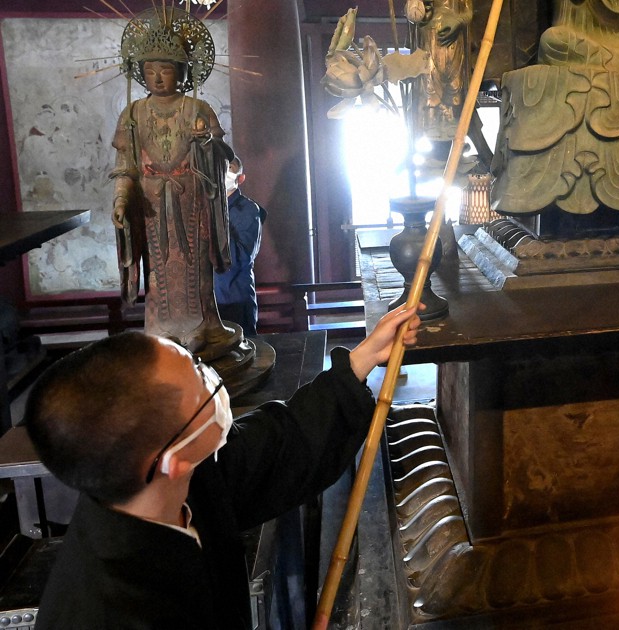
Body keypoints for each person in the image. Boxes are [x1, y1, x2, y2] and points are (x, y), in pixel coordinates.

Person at [23, 304, 423, 628]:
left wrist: (363, 357)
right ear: (172, 460)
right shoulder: (111, 612)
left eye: (198, 365)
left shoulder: (170, 480)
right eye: (203, 384)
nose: (216, 385)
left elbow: (281, 445)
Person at [111, 10, 236, 354]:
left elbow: (224, 156)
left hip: (191, 200)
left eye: (166, 69)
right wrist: (121, 200)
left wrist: (205, 144)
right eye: (150, 69)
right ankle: (160, 329)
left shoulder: (198, 108)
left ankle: (204, 326)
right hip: (150, 205)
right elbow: (125, 166)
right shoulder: (133, 114)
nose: (157, 77)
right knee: (158, 268)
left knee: (195, 267)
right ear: (140, 72)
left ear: (183, 71)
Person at [215, 157, 267, 335]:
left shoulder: (248, 210)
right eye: (219, 167)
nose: (223, 173)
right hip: (209, 303)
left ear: (240, 178)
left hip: (235, 300)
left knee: (242, 348)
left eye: (229, 168)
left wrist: (216, 220)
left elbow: (240, 257)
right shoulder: (206, 208)